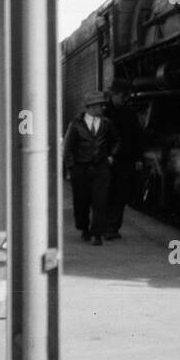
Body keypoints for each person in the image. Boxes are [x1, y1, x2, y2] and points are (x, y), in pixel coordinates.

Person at [62, 90, 121, 245]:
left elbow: (116, 140)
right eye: (101, 105)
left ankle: (96, 234)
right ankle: (84, 228)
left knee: (100, 201)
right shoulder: (75, 125)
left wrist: (111, 156)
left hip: (101, 168)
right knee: (82, 201)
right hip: (80, 169)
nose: (103, 108)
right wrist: (72, 167)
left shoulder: (107, 124)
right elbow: (67, 148)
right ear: (91, 107)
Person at [103, 83, 143, 240]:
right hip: (107, 159)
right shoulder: (104, 112)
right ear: (113, 95)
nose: (121, 99)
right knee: (107, 193)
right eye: (119, 96)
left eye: (123, 97)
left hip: (125, 159)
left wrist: (138, 158)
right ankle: (106, 226)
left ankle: (113, 228)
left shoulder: (129, 113)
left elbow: (136, 136)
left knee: (120, 194)